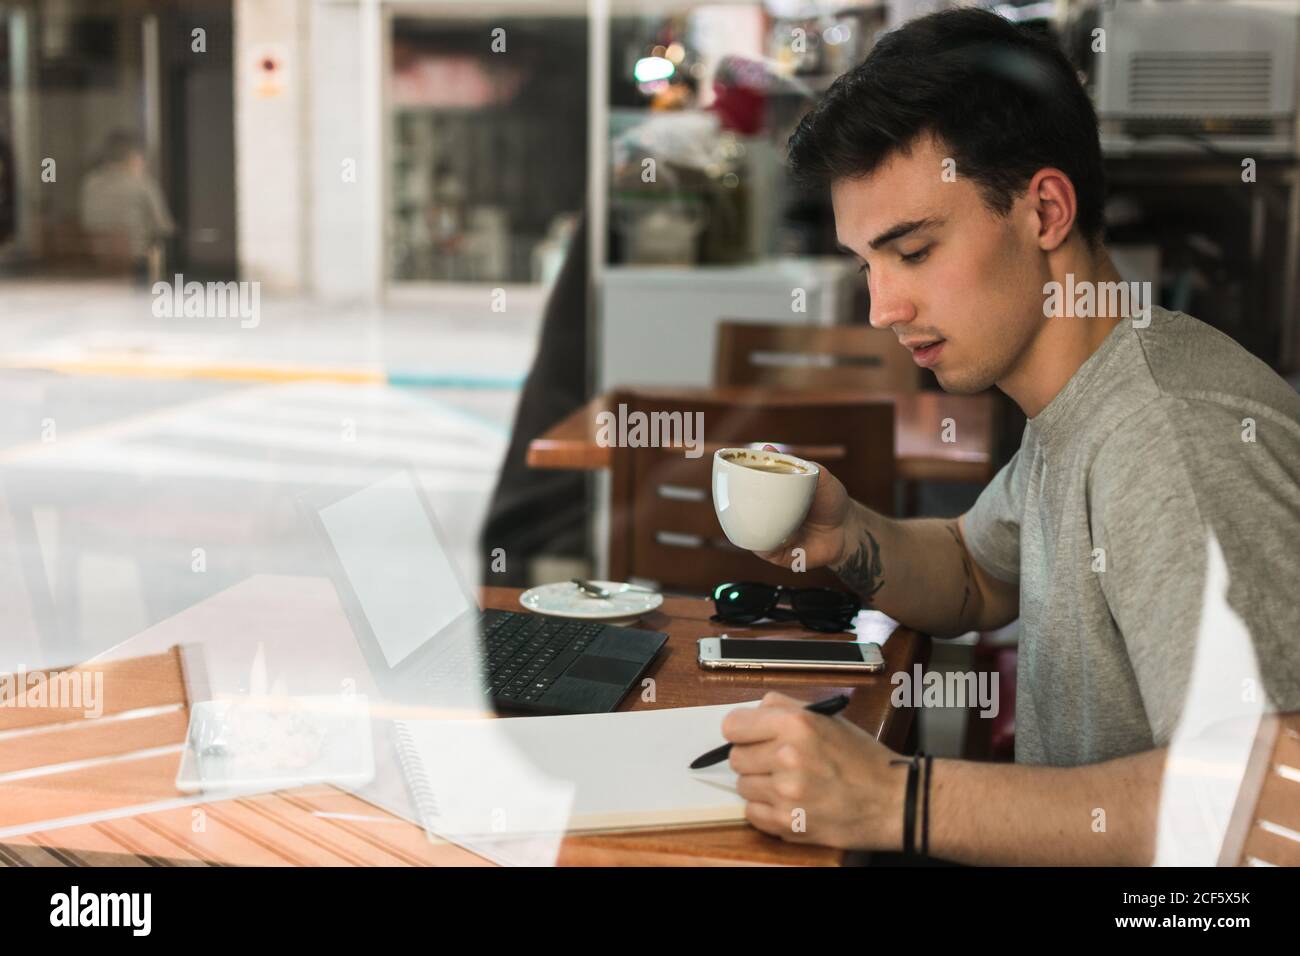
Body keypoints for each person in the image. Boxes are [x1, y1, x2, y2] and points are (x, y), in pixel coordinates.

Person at [720, 8, 1300, 865]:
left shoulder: (1166, 434)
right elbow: (975, 573)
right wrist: (848, 537)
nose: (883, 308)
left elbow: (1278, 807)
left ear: (1046, 210)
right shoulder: (1083, 398)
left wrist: (894, 798)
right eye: (867, 266)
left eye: (912, 252)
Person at [80, 130, 174, 283]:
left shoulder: (89, 182)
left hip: (96, 260)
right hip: (134, 263)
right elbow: (164, 226)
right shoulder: (142, 184)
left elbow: (87, 221)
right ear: (134, 158)